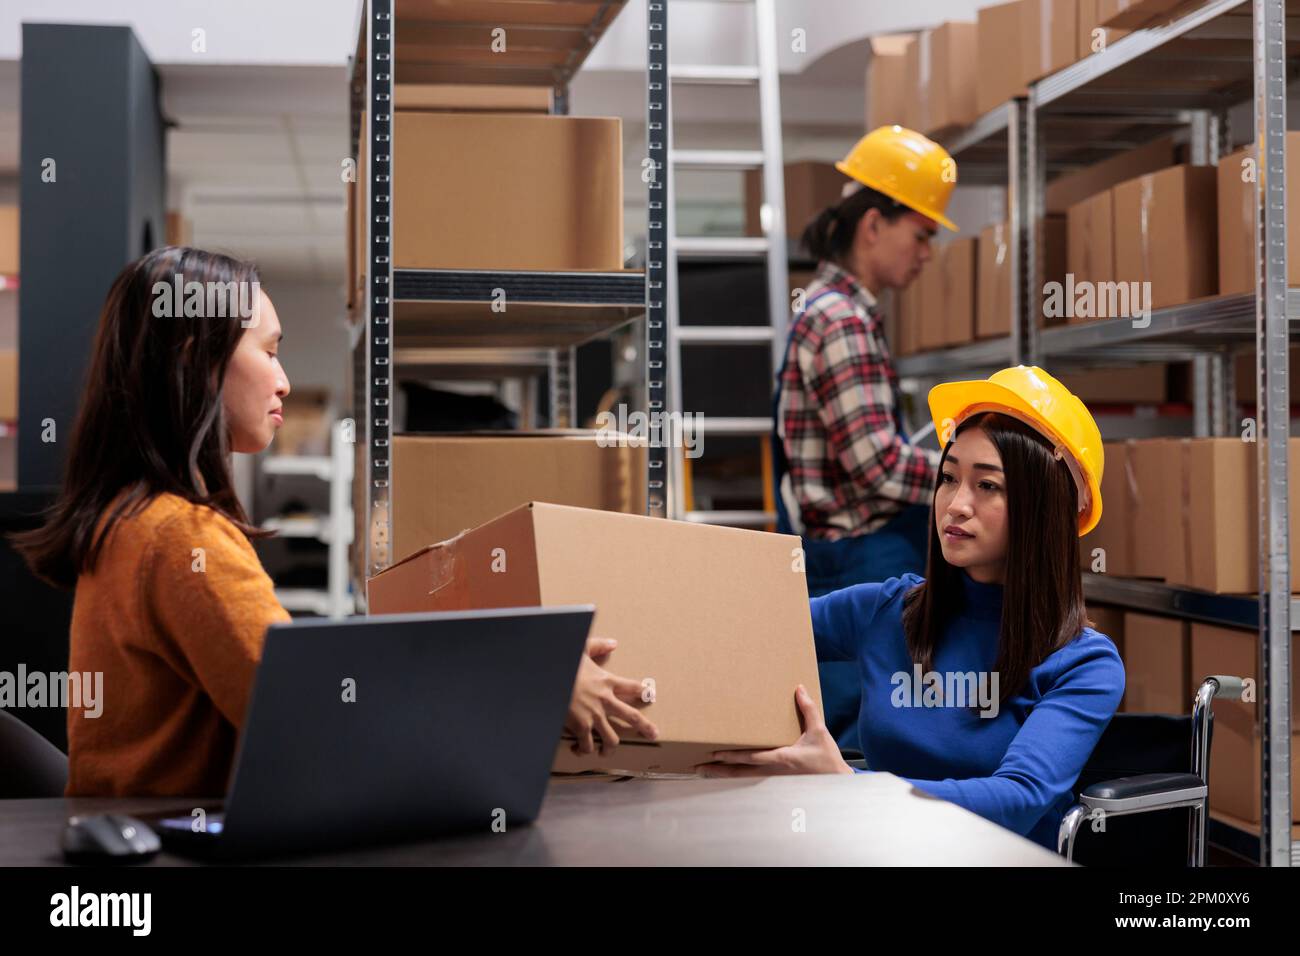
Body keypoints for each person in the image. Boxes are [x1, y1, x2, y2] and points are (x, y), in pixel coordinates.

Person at [12, 246, 656, 797]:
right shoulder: (179, 538)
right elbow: (325, 726)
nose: (286, 381)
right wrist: (532, 679)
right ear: (194, 360)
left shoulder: (130, 522)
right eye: (268, 352)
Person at [711, 367, 1126, 851]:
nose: (955, 505)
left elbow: (1017, 798)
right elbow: (744, 628)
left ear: (1044, 508)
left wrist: (848, 784)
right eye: (949, 479)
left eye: (987, 486)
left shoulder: (1084, 663)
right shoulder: (887, 611)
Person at [772, 125, 961, 748]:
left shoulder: (842, 312)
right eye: (922, 233)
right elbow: (877, 465)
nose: (928, 252)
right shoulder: (841, 318)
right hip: (850, 560)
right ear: (874, 224)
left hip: (847, 556)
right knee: (849, 740)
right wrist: (970, 475)